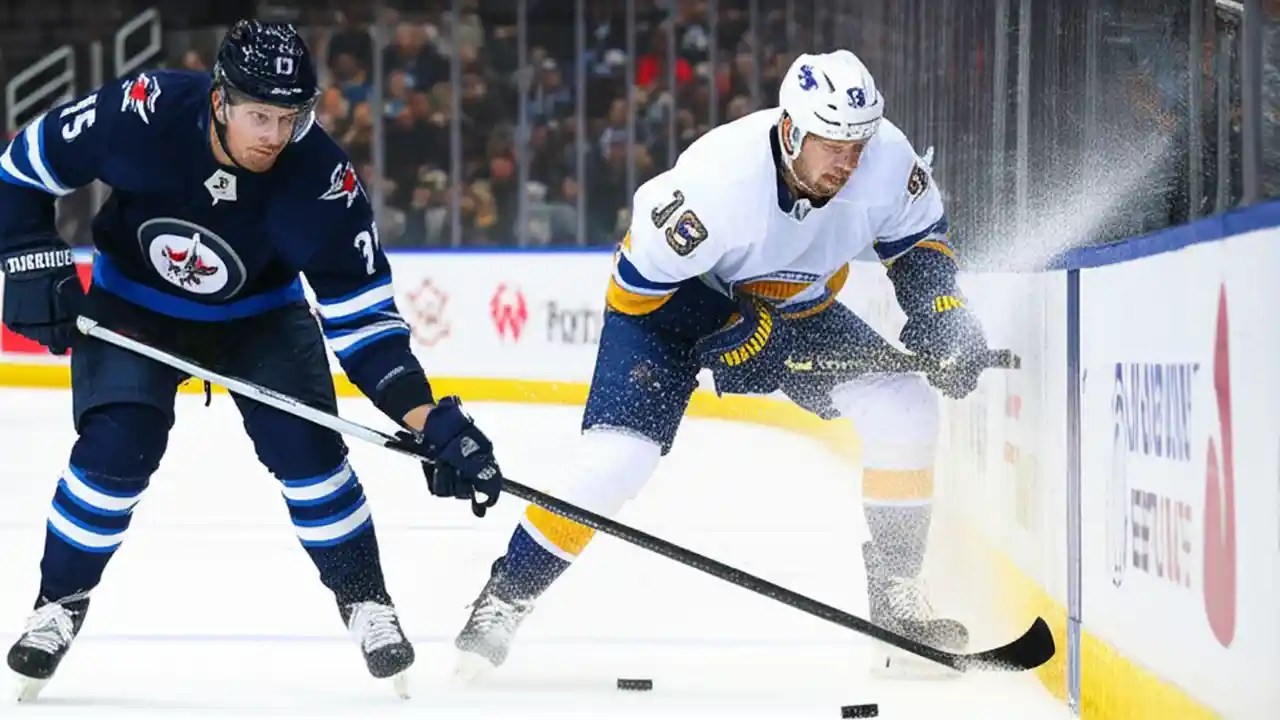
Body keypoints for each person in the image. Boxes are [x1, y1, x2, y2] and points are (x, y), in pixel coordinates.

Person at [0, 21, 504, 701]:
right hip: (132, 303)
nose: (274, 134)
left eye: (290, 119)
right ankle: (56, 604)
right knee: (115, 451)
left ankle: (366, 600)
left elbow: (365, 326)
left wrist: (431, 420)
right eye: (259, 115)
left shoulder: (323, 183)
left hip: (259, 320)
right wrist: (26, 255)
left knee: (311, 457)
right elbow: (20, 170)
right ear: (219, 100)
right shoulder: (142, 112)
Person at [452, 50, 989, 677]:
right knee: (617, 462)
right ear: (791, 131)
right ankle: (507, 594)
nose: (848, 162)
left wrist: (943, 313)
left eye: (857, 145)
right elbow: (634, 289)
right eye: (832, 144)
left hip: (794, 306)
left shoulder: (887, 160)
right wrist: (727, 327)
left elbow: (919, 244)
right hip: (668, 316)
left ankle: (896, 601)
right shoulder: (718, 181)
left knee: (905, 406)